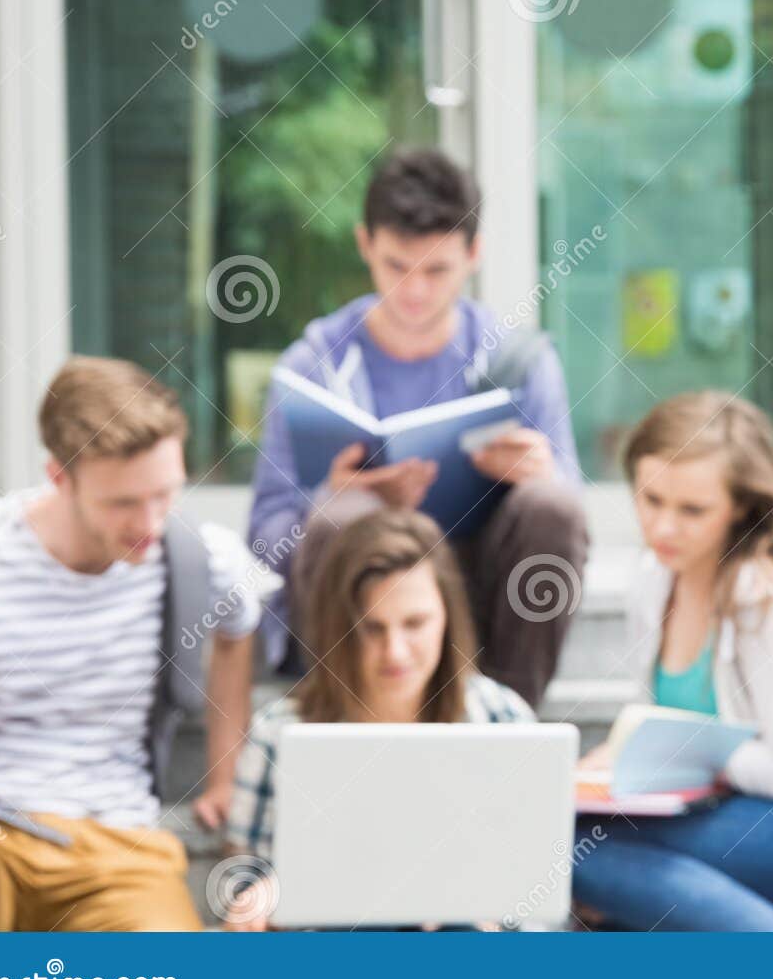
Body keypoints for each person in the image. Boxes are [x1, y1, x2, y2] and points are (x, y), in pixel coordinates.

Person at [0, 358, 265, 931]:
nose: (150, 521)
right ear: (59, 475)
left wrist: (223, 775)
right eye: (123, 503)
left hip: (116, 839)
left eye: (165, 493)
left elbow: (238, 633)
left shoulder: (201, 558)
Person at [248, 146, 589, 709]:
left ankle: (510, 727)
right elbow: (265, 534)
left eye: (436, 270)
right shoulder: (314, 365)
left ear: (474, 253)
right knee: (341, 518)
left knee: (553, 507)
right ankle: (353, 726)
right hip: (364, 594)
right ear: (365, 245)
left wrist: (541, 475)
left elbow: (570, 514)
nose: (414, 292)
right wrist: (328, 497)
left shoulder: (520, 362)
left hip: (481, 589)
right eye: (395, 266)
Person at [570, 392, 773, 931]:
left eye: (692, 511)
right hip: (717, 817)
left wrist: (704, 753)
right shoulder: (654, 580)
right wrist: (612, 760)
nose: (663, 529)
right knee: (582, 841)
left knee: (586, 853)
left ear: (740, 509)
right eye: (650, 499)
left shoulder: (765, 598)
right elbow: (653, 715)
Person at [220, 508, 533, 931]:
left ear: (447, 619)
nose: (396, 652)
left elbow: (534, 891)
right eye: (372, 629)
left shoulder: (502, 719)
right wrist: (264, 897)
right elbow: (245, 877)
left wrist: (494, 907)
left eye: (415, 624)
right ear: (341, 630)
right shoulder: (280, 733)